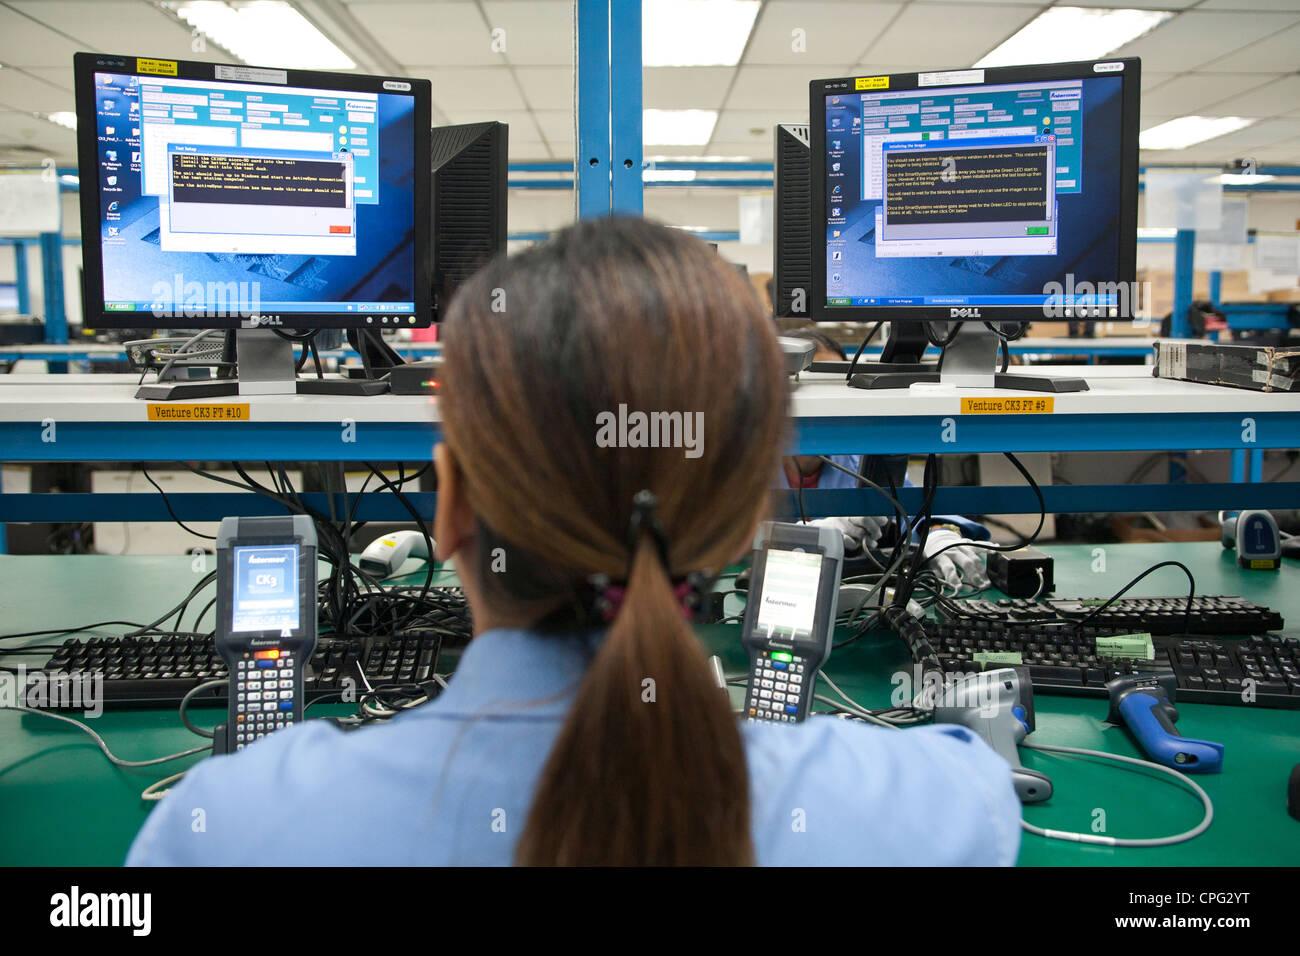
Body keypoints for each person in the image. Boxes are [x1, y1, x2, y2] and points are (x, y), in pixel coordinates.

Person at [127, 218, 1020, 867]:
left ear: (452, 508)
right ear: (749, 521)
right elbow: (981, 787)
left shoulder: (231, 829)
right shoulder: (935, 811)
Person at [780, 328, 991, 592]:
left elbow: (916, 510)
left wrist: (938, 533)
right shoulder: (741, 465)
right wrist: (796, 536)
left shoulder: (858, 461)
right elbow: (721, 534)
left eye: (832, 387)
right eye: (809, 385)